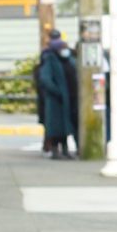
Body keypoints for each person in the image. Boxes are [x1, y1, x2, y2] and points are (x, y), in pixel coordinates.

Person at [36, 28, 79, 158]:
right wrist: (57, 91)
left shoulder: (70, 59)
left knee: (66, 126)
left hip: (68, 98)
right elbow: (45, 78)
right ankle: (55, 150)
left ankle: (65, 150)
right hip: (55, 100)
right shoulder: (49, 58)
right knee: (56, 126)